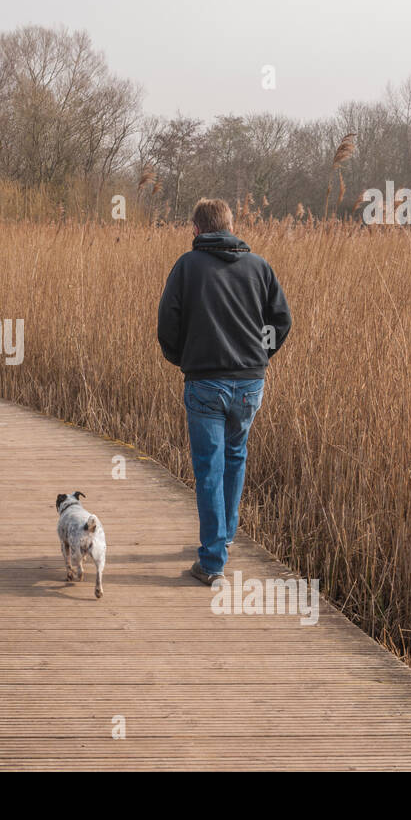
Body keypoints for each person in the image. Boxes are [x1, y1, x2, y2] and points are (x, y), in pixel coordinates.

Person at [156, 199, 292, 585]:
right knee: (235, 456)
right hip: (250, 383)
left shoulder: (187, 266)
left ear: (196, 230)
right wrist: (261, 354)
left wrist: (182, 357)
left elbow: (168, 321)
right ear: (231, 226)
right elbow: (281, 320)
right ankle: (225, 536)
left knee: (209, 468)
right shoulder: (259, 267)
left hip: (205, 382)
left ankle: (213, 560)